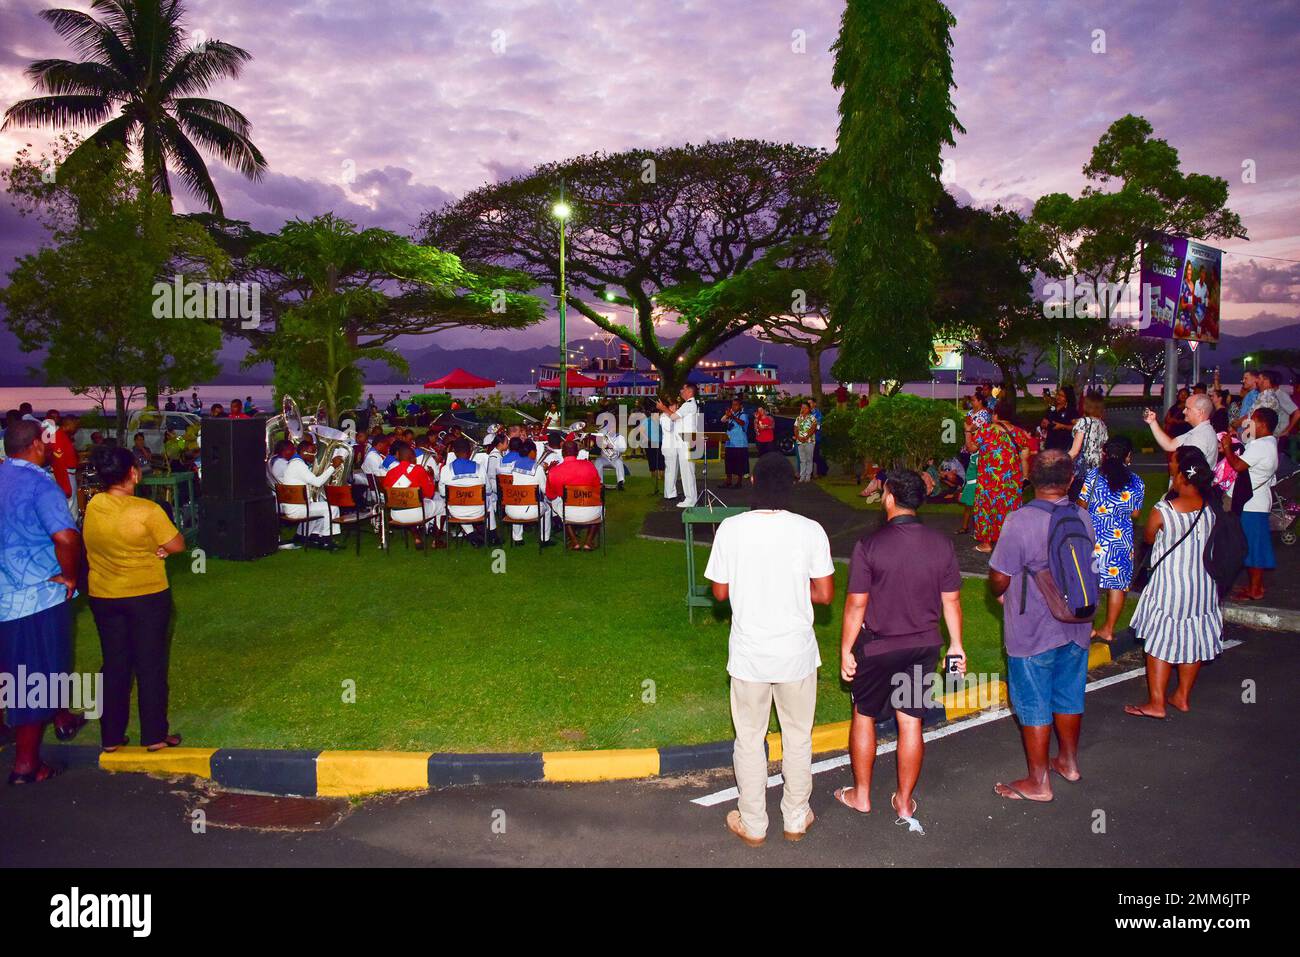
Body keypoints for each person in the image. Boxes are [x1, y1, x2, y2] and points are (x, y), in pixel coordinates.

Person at [704, 453, 835, 846]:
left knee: (749, 737)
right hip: (796, 652)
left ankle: (753, 821)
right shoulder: (810, 529)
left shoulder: (731, 528)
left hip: (749, 654)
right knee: (798, 736)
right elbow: (826, 595)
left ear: (753, 483)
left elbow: (720, 591)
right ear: (790, 484)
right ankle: (795, 817)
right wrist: (796, 588)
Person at [835, 470, 964, 829]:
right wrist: (956, 645)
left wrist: (846, 649)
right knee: (911, 722)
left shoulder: (870, 545)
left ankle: (861, 795)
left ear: (890, 497)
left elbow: (856, 606)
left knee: (864, 715)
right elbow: (951, 601)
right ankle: (904, 802)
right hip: (923, 646)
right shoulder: (941, 544)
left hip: (877, 648)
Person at [988, 449, 1095, 802]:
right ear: (1069, 479)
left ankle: (1038, 782)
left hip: (1033, 627)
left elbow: (999, 577)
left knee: (1033, 701)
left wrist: (1002, 594)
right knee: (1068, 695)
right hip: (1076, 624)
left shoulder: (1019, 520)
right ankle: (1067, 762)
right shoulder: (1082, 515)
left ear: (1031, 478)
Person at [82, 446, 186, 752]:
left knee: (114, 665)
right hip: (147, 595)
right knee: (150, 664)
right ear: (133, 473)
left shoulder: (94, 505)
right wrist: (161, 548)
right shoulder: (147, 511)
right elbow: (177, 543)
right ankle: (154, 735)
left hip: (104, 597)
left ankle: (111, 737)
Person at [0, 421, 86, 784]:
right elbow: (66, 537)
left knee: (18, 666)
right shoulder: (39, 484)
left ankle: (61, 716)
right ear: (37, 445)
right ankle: (26, 765)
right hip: (32, 596)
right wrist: (70, 575)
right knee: (35, 674)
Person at [1125, 447, 1222, 718]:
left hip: (1171, 583)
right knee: (1194, 638)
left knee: (1158, 642)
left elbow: (1148, 537)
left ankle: (1156, 703)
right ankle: (1182, 696)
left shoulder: (1164, 510)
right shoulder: (1210, 508)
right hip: (1203, 584)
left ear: (1183, 478)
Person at [1078, 436, 1144, 642]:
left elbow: (1082, 504)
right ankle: (1108, 629)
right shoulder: (1136, 481)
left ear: (1105, 454)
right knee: (1117, 586)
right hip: (1120, 540)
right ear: (1128, 456)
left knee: (1090, 584)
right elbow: (1135, 514)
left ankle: (1087, 627)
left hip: (1094, 537)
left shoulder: (1094, 476)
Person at [1221, 408, 1279, 602]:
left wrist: (1227, 446)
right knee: (1253, 546)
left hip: (1252, 504)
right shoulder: (1269, 443)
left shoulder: (1261, 446)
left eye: (1252, 421)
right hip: (1258, 500)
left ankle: (1255, 589)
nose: (1248, 424)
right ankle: (1254, 586)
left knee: (1253, 547)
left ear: (1262, 424)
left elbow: (1237, 465)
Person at [966, 398, 1031, 553]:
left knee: (986, 509)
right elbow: (1025, 458)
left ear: (996, 415)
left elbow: (971, 448)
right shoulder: (1019, 433)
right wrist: (1025, 477)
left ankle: (986, 543)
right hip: (1011, 481)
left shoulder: (986, 431)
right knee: (1009, 510)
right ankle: (1009, 543)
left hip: (988, 481)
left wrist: (968, 430)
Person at [276, 442, 345, 544]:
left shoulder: (295, 463)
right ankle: (325, 539)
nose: (315, 454)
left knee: (320, 507)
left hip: (294, 506)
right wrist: (333, 466)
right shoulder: (298, 465)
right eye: (313, 452)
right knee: (332, 508)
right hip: (297, 509)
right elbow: (318, 483)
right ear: (305, 452)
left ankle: (305, 535)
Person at [382, 440, 444, 549]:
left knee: (407, 503)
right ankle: (437, 540)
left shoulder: (390, 472)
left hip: (396, 514)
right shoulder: (418, 469)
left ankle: (416, 536)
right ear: (412, 457)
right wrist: (430, 477)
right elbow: (429, 495)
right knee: (442, 505)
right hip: (417, 513)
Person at [546, 440, 603, 550]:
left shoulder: (554, 471)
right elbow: (598, 487)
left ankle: (574, 541)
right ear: (577, 452)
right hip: (591, 511)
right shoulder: (589, 466)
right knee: (601, 505)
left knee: (556, 502)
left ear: (562, 453)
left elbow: (550, 495)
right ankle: (589, 541)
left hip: (568, 512)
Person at [1144, 393, 1218, 470]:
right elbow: (1169, 445)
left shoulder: (1199, 437)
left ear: (1200, 412)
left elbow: (1192, 472)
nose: (1183, 411)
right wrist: (1152, 422)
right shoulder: (1200, 431)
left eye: (1187, 408)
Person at [659, 384, 699, 507]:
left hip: (686, 442)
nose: (681, 391)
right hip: (685, 441)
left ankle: (690, 499)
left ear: (689, 391)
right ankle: (690, 498)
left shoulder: (688, 405)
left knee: (687, 471)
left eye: (683, 389)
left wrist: (663, 408)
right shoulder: (689, 405)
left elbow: (673, 416)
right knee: (687, 471)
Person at [1067, 392, 1109, 495]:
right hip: (1097, 471)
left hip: (1082, 471)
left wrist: (1059, 463)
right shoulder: (1102, 425)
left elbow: (1075, 451)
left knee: (1076, 504)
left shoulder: (1083, 422)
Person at [1253, 370, 1299, 457]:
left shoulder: (1281, 394)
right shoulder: (1270, 394)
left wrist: (1286, 431)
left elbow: (1297, 413)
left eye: (1259, 378)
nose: (1257, 381)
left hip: (1279, 435)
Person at [47, 412, 80, 511]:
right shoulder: (58, 437)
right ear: (70, 424)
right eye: (76, 426)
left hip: (66, 474)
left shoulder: (62, 436)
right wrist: (66, 486)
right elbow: (58, 461)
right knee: (70, 506)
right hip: (65, 475)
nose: (77, 429)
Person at [721, 398, 750, 488]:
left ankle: (739, 482)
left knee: (739, 464)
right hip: (730, 443)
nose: (733, 406)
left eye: (736, 404)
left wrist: (732, 417)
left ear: (741, 406)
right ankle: (728, 481)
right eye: (732, 405)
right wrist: (727, 415)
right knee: (729, 463)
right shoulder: (731, 414)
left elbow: (742, 423)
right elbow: (722, 420)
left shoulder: (743, 415)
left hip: (740, 444)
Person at [1039, 386, 1079, 452]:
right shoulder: (1052, 408)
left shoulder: (1071, 411)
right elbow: (1043, 422)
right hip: (1050, 443)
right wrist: (1044, 424)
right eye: (1058, 394)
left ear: (1067, 398)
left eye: (1062, 396)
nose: (1058, 397)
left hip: (1064, 445)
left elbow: (1077, 427)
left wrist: (1062, 426)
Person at [592, 418, 627, 491]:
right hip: (604, 459)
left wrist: (613, 447)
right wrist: (601, 445)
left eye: (613, 427)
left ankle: (620, 483)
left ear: (616, 428)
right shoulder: (602, 437)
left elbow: (624, 449)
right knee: (598, 461)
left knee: (619, 463)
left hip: (615, 459)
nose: (611, 429)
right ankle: (600, 483)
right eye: (610, 427)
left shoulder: (620, 437)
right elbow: (596, 449)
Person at [643, 398, 666, 493]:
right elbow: (641, 431)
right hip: (651, 442)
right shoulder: (648, 420)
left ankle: (660, 475)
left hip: (659, 442)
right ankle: (655, 476)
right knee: (653, 459)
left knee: (659, 459)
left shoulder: (660, 421)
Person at [793, 401, 817, 482]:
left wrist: (806, 437)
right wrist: (798, 437)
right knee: (802, 460)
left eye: (805, 408)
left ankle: (808, 476)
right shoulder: (798, 418)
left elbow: (813, 428)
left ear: (809, 409)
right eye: (802, 407)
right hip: (800, 442)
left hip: (809, 441)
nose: (803, 409)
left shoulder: (812, 418)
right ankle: (802, 476)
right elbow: (795, 428)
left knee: (809, 459)